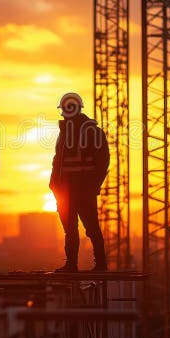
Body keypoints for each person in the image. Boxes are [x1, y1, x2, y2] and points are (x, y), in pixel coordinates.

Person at [49, 92, 109, 272]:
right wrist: (54, 185)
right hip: (66, 192)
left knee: (91, 228)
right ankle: (71, 264)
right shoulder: (64, 134)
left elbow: (103, 160)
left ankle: (100, 264)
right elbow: (57, 162)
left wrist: (92, 187)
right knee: (71, 230)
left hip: (83, 191)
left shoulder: (92, 131)